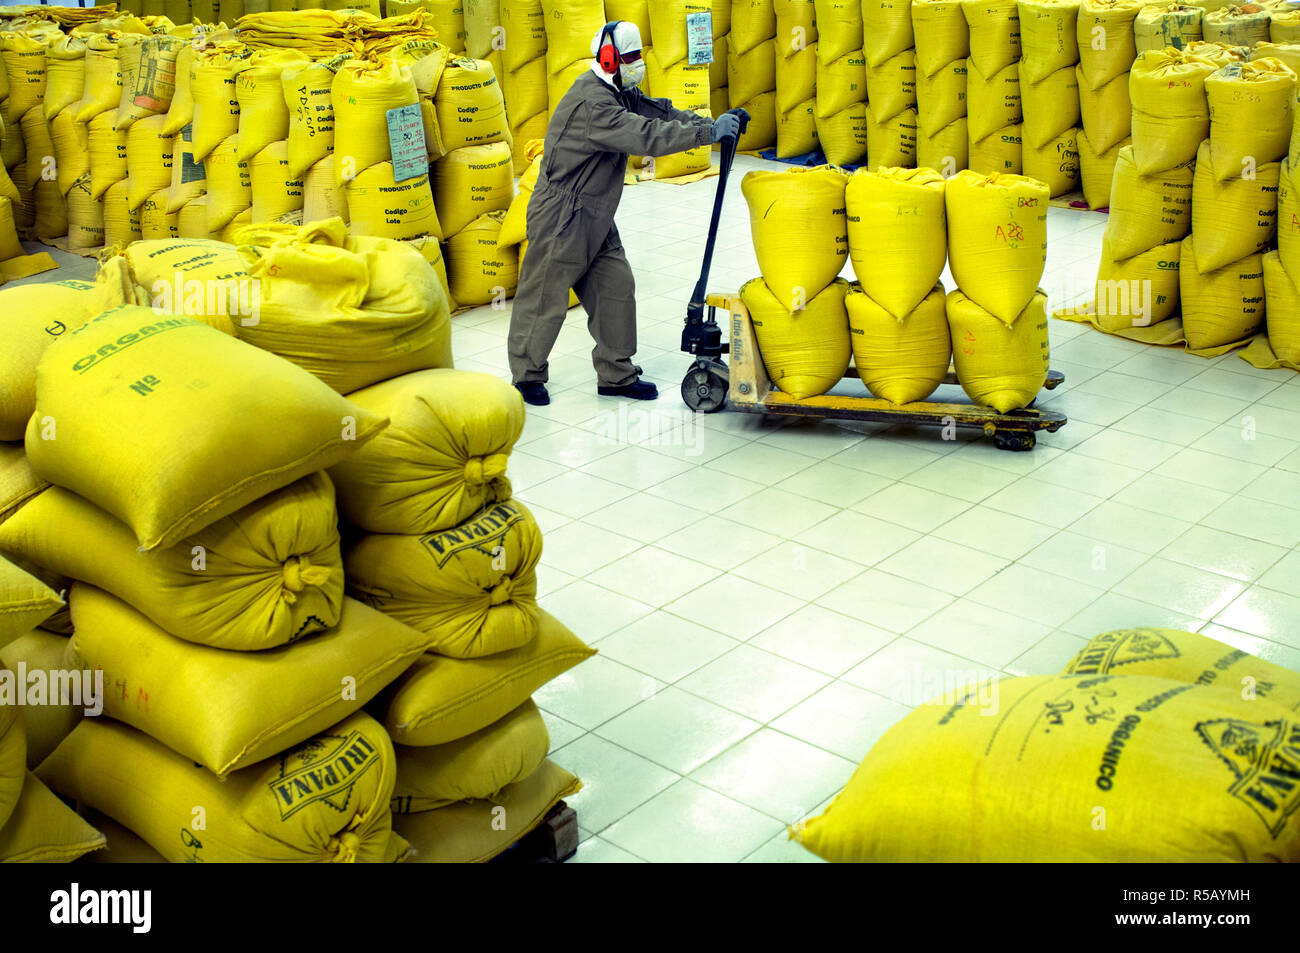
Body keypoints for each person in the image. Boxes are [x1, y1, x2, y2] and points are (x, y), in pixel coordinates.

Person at [506, 20, 743, 406]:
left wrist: (711, 124)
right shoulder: (594, 103)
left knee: (616, 287)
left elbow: (659, 113)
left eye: (638, 56)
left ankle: (616, 374)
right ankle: (526, 376)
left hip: (596, 210)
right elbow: (644, 135)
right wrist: (707, 136)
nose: (637, 64)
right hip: (562, 214)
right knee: (545, 296)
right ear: (608, 58)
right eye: (630, 57)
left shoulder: (619, 91)